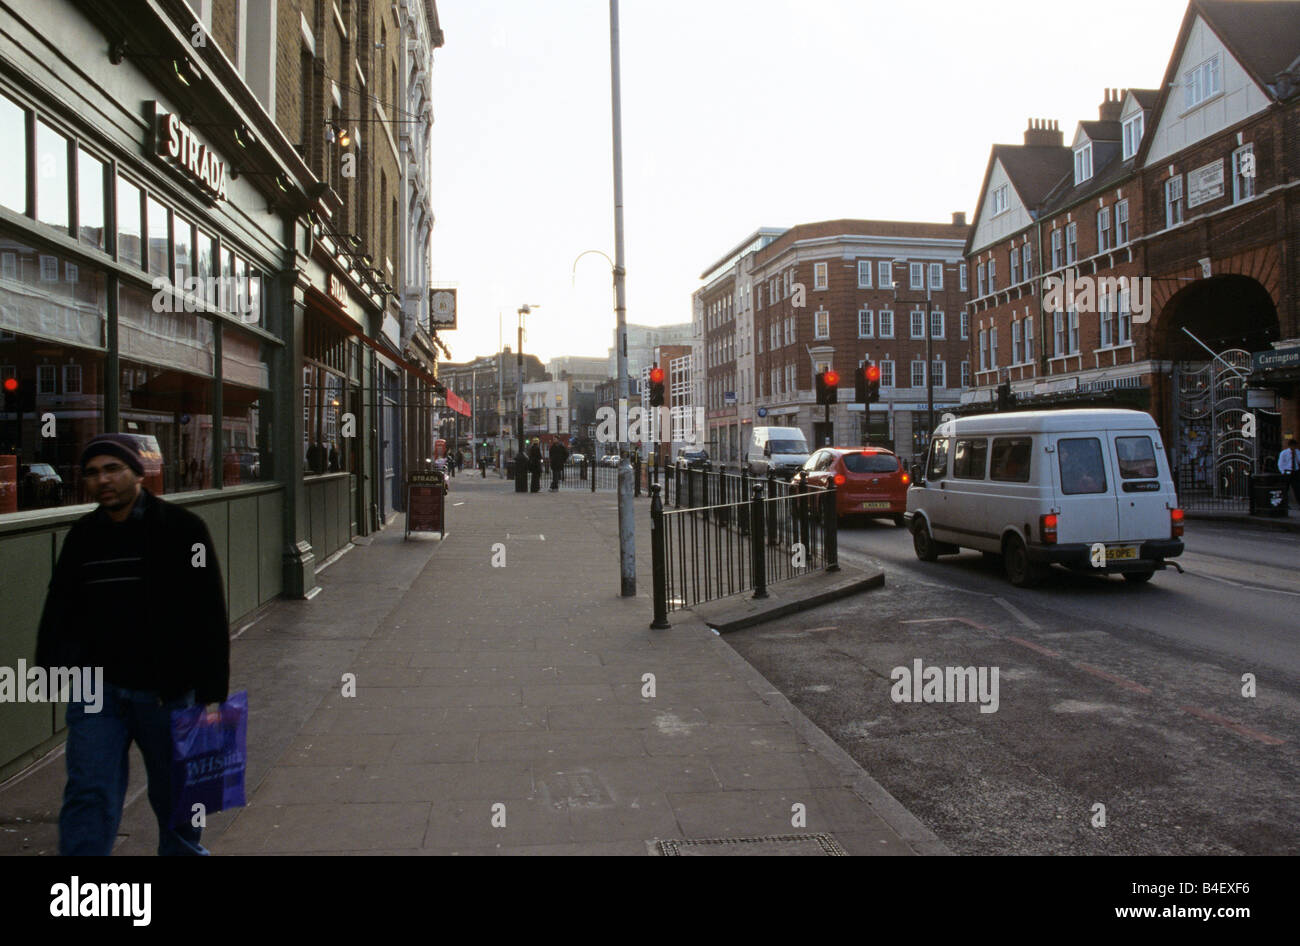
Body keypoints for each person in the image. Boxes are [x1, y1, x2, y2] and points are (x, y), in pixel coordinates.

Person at [35, 433, 229, 856]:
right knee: (89, 793)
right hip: (97, 693)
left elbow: (209, 611)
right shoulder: (82, 537)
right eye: (91, 473)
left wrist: (211, 690)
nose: (102, 480)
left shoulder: (183, 530)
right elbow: (60, 606)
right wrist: (52, 667)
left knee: (178, 797)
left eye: (112, 469)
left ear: (137, 473)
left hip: (167, 692)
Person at [1279, 437, 1300, 504]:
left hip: (1296, 471)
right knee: (1285, 488)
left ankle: (1298, 502)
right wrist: (1283, 472)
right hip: (1287, 471)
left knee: (1297, 488)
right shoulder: (1284, 453)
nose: (1294, 447)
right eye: (1293, 446)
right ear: (1290, 446)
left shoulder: (1298, 452)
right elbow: (1280, 463)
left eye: (1295, 446)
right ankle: (1284, 502)